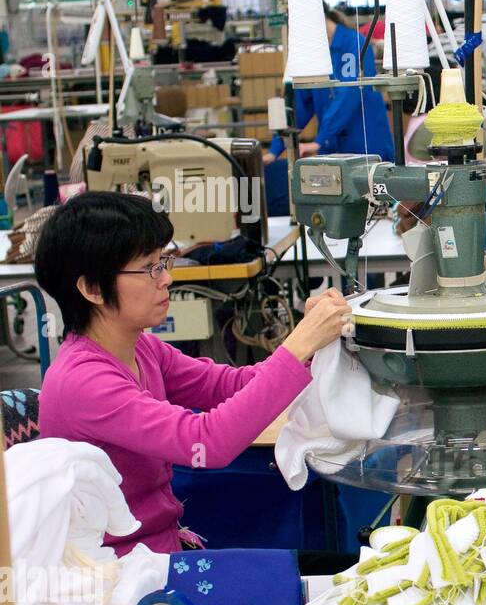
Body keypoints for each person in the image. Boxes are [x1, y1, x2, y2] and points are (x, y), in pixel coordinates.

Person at [34, 191, 353, 556]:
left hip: (159, 547)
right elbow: (206, 442)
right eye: (150, 268)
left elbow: (228, 385)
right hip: (117, 569)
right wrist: (297, 346)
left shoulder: (140, 347)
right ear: (92, 288)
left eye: (163, 261)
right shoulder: (84, 383)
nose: (167, 278)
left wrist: (310, 346)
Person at [264, 5, 395, 165]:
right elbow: (299, 104)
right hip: (332, 148)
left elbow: (349, 94)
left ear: (319, 18)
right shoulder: (312, 54)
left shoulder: (354, 44)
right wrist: (275, 150)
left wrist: (321, 139)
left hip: (366, 143)